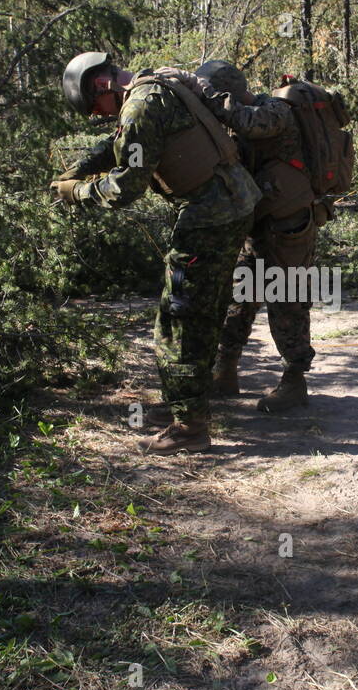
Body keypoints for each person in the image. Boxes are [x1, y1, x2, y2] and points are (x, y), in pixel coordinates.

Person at [53, 52, 259, 453]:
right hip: (233, 205)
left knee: (178, 318)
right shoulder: (160, 83)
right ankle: (186, 402)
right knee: (204, 309)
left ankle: (190, 427)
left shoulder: (139, 106)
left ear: (101, 86)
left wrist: (76, 192)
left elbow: (126, 186)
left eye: (97, 108)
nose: (101, 114)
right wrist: (79, 167)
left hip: (207, 221)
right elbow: (119, 144)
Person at [197, 59, 323, 413]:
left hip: (289, 227)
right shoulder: (239, 115)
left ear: (227, 90)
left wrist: (210, 98)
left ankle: (294, 382)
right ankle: (225, 371)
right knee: (240, 295)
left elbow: (249, 123)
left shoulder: (274, 110)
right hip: (260, 225)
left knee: (287, 302)